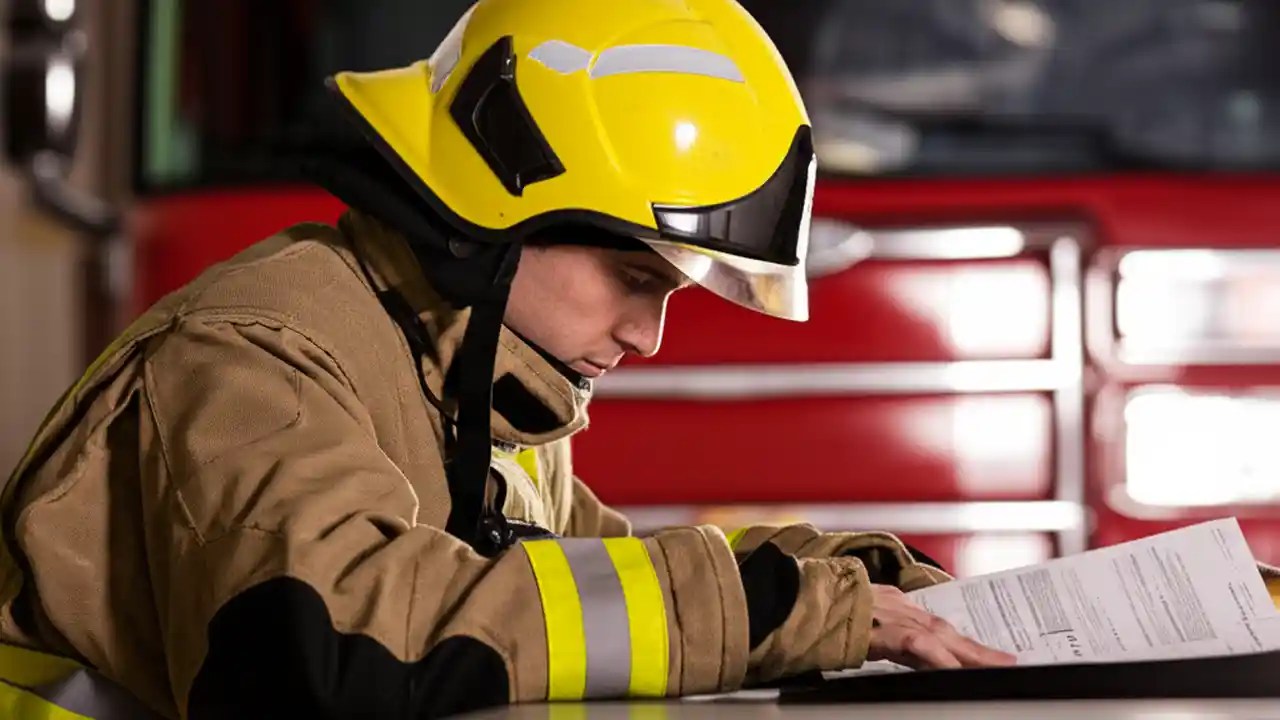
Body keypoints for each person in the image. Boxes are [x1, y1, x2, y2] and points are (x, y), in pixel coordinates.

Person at [0, 0, 1016, 717]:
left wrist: (830, 577)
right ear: (500, 198)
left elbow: (564, 589)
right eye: (633, 276)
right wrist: (769, 612)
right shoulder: (253, 357)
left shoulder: (462, 377)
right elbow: (330, 646)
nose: (647, 337)